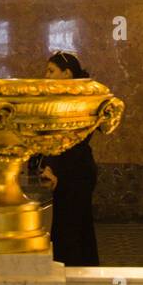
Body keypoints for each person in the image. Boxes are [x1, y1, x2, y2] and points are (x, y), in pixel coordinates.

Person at [40, 51, 99, 267]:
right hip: (67, 168)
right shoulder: (61, 99)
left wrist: (53, 168)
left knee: (72, 227)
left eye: (51, 71)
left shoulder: (79, 100)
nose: (46, 76)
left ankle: (76, 275)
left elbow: (70, 141)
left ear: (67, 73)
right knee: (67, 227)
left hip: (75, 170)